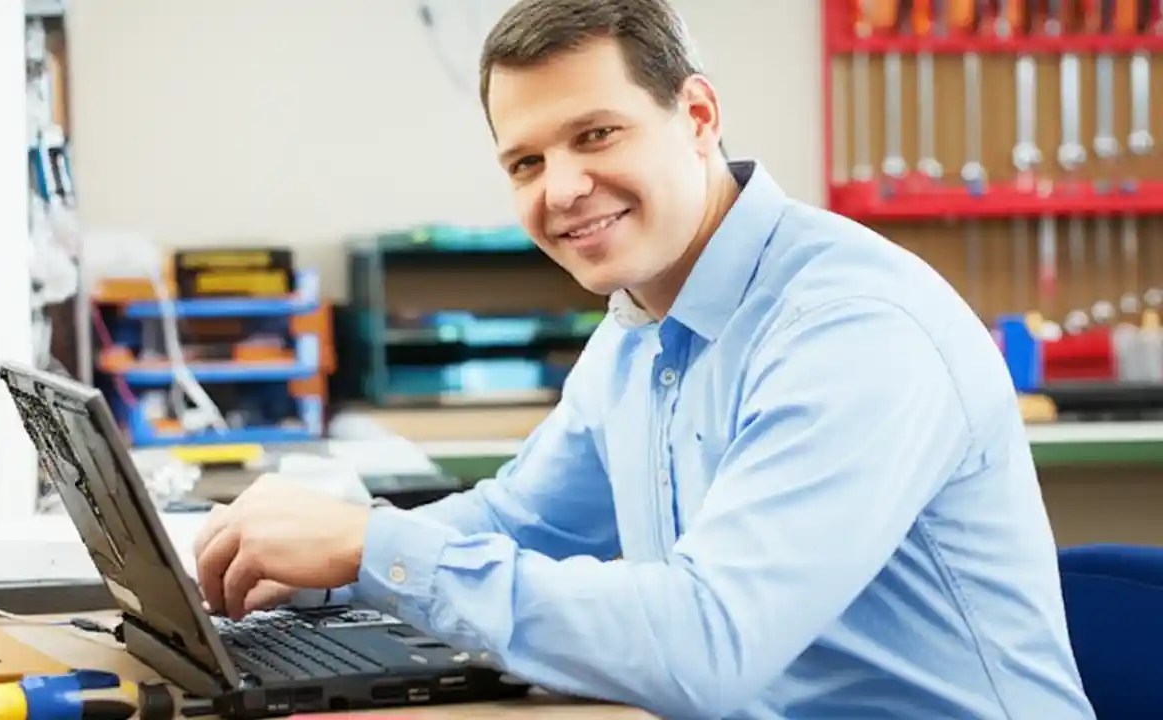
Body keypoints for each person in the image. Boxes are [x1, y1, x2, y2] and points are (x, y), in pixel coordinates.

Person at [193, 0, 1097, 717]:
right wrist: (320, 563)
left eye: (595, 134)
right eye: (524, 162)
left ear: (696, 114)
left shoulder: (850, 327)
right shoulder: (639, 328)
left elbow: (710, 643)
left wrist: (373, 545)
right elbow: (521, 523)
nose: (562, 191)